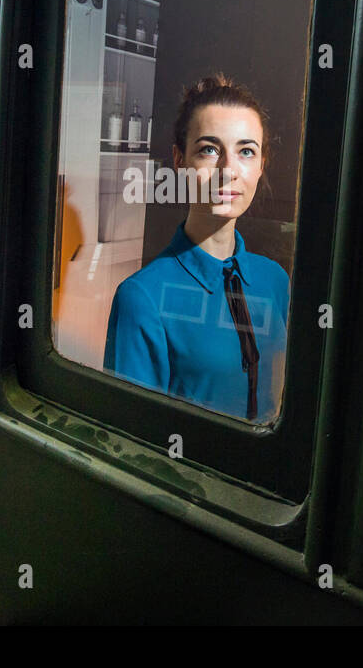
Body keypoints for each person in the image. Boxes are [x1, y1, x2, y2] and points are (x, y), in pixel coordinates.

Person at [104, 73, 290, 424]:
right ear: (180, 160)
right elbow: (130, 441)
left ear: (261, 164)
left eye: (246, 151)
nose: (228, 170)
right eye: (209, 149)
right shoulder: (142, 299)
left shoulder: (275, 281)